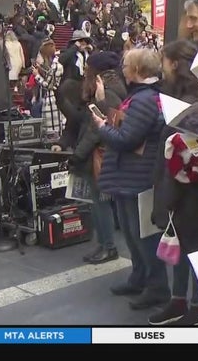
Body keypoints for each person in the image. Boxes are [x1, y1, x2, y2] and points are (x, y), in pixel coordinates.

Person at [94, 48, 170, 310]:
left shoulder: (144, 100)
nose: (122, 70)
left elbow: (126, 139)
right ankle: (140, 277)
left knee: (143, 237)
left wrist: (102, 128)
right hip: (130, 177)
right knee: (132, 233)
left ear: (137, 71)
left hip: (137, 178)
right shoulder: (141, 98)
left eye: (126, 65)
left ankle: (156, 286)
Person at [149, 40, 198, 326]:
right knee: (181, 243)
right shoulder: (183, 96)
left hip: (188, 187)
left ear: (175, 64)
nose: (161, 68)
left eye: (164, 61)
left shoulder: (192, 102)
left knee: (193, 245)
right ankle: (179, 301)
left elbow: (189, 150)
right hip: (179, 184)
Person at [57, 51, 126, 264]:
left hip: (99, 156)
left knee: (100, 204)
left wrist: (78, 154)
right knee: (98, 203)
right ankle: (104, 244)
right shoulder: (108, 89)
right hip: (99, 154)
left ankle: (108, 246)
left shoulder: (108, 93)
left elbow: (96, 128)